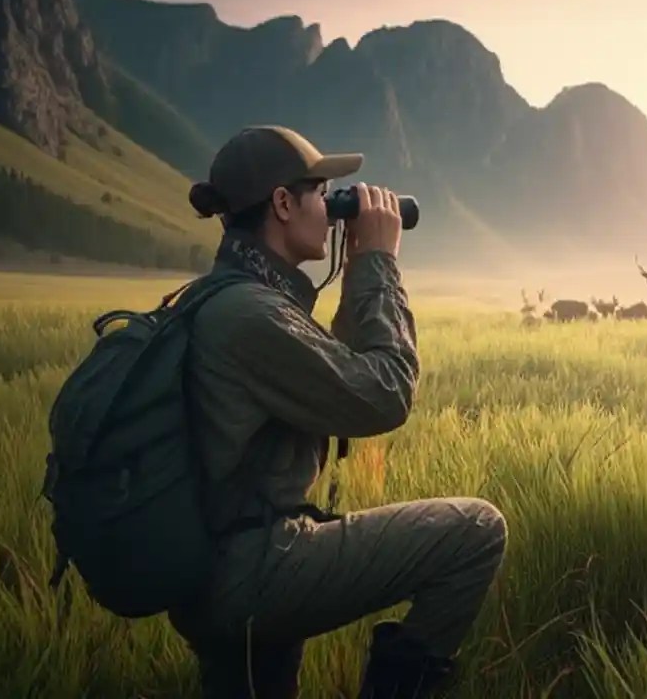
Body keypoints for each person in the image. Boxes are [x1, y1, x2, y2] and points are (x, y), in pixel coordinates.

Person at [171, 125, 508, 698]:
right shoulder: (250, 315)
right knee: (476, 531)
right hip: (254, 569)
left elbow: (333, 376)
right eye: (322, 193)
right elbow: (384, 394)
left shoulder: (230, 297)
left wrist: (356, 269)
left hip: (214, 565)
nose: (332, 209)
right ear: (282, 202)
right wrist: (379, 264)